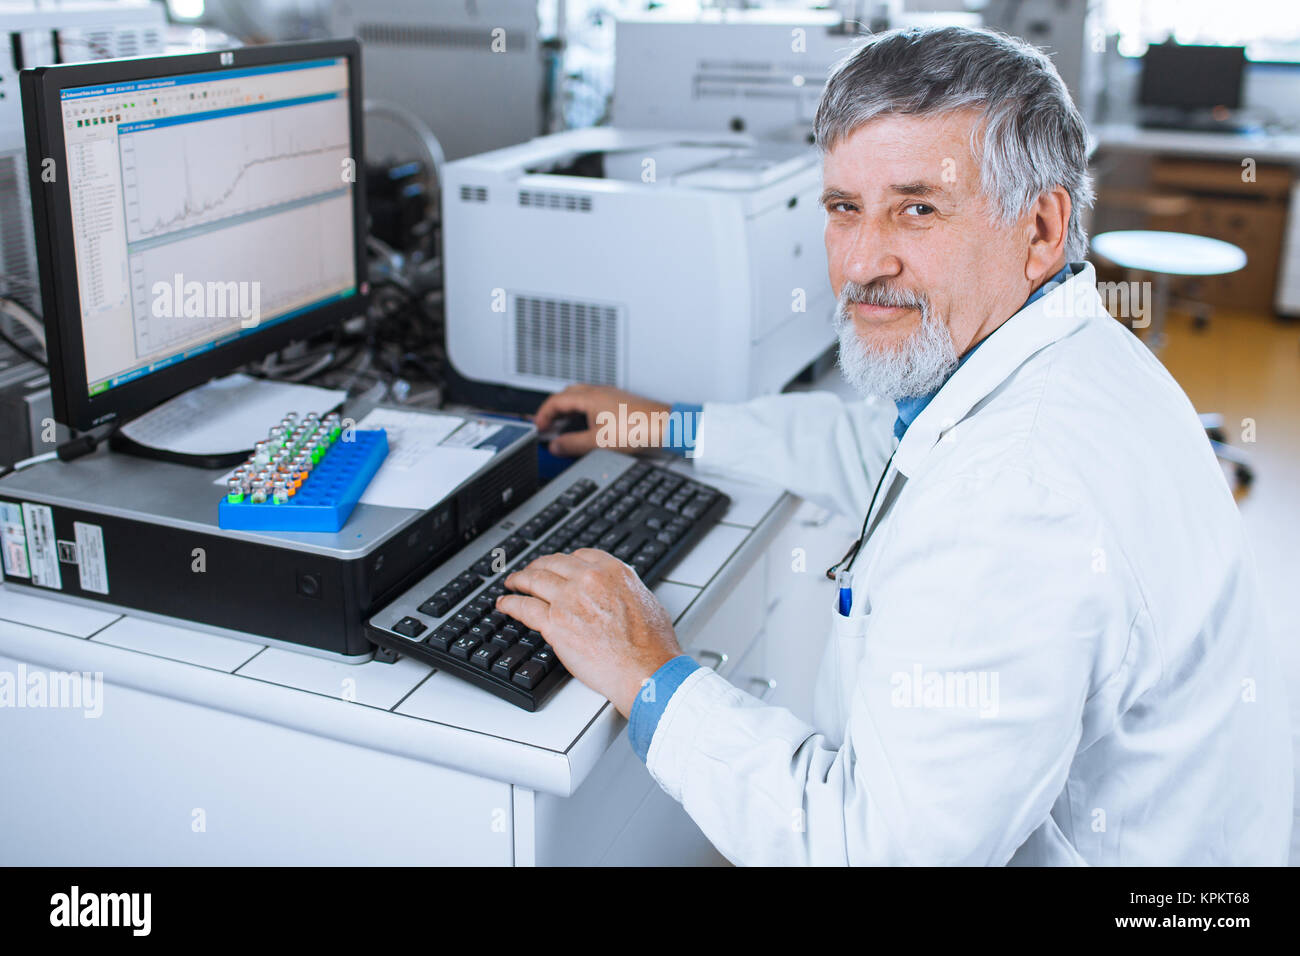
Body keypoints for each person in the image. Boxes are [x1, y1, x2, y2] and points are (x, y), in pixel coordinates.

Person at [496, 26, 1293, 865]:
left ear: (1042, 227)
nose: (864, 262)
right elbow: (875, 449)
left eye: (919, 207)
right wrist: (665, 424)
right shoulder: (1063, 350)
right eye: (846, 208)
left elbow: (874, 851)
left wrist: (650, 672)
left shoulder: (1019, 493)